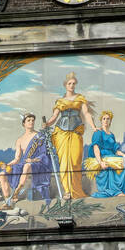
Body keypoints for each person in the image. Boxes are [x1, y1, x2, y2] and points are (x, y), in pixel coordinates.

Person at [44, 71, 98, 200]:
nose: (72, 85)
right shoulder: (60, 101)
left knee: (74, 161)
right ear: (65, 85)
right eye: (70, 83)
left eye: (74, 83)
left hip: (75, 132)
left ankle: (76, 190)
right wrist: (47, 124)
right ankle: (67, 191)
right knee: (64, 163)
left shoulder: (80, 98)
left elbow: (86, 114)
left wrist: (93, 127)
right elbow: (54, 117)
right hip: (61, 133)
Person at [84, 111, 125, 199]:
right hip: (103, 157)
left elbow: (116, 151)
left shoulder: (111, 135)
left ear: (110, 121)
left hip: (112, 157)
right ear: (101, 121)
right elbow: (96, 149)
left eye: (108, 119)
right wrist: (101, 162)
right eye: (104, 119)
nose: (106, 121)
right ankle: (115, 191)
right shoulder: (98, 133)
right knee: (121, 164)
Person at [0, 113, 51, 203]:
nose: (31, 122)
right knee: (2, 174)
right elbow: (17, 159)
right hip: (24, 163)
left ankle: (16, 192)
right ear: (24, 124)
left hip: (38, 163)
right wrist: (7, 165)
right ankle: (7, 199)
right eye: (28, 120)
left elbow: (44, 155)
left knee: (26, 166)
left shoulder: (40, 136)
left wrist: (33, 160)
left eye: (33, 120)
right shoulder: (20, 140)